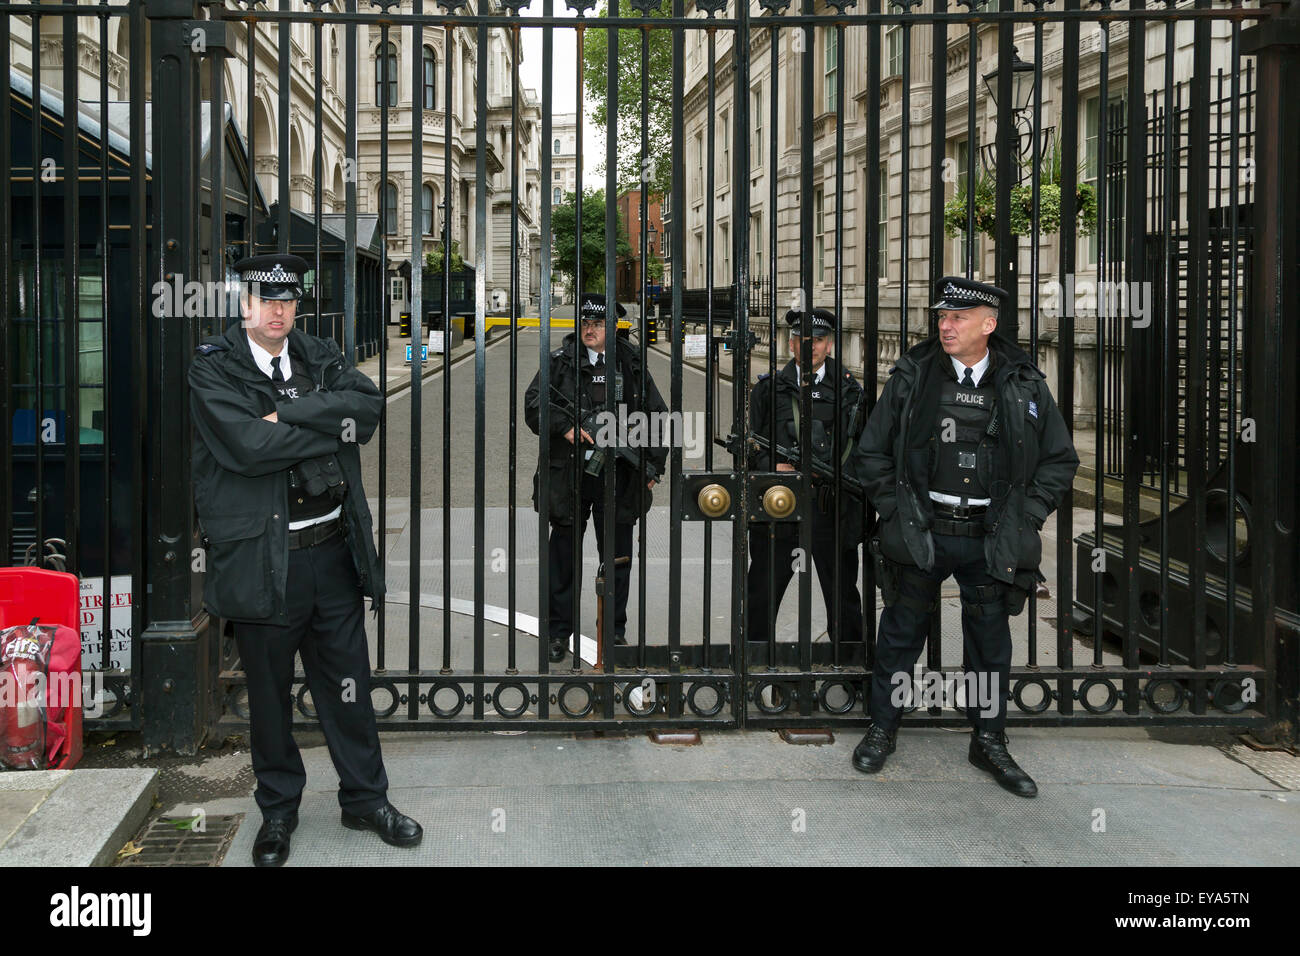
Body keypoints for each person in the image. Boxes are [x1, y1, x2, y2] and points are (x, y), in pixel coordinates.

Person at [189, 253, 421, 866]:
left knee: (348, 686)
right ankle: (278, 812)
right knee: (268, 696)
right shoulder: (214, 367)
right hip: (264, 561)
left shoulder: (319, 354)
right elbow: (247, 446)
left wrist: (286, 413)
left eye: (288, 300)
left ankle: (365, 799)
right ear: (243, 304)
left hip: (330, 555)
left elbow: (366, 411)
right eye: (266, 300)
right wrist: (323, 423)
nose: (278, 311)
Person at [850, 276, 1079, 797]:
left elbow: (1059, 459)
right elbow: (872, 452)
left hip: (990, 535)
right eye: (942, 318)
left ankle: (990, 739)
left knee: (990, 643)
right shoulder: (914, 374)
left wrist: (1028, 516)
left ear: (988, 324)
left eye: (958, 318)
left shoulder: (1022, 381)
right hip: (923, 528)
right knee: (901, 633)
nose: (945, 326)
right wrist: (895, 508)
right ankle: (883, 727)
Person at [524, 293, 669, 663]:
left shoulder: (632, 363)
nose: (589, 329)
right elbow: (533, 405)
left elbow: (658, 417)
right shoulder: (560, 363)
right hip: (571, 475)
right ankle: (559, 633)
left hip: (619, 478)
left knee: (617, 557)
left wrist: (653, 467)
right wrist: (565, 426)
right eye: (585, 323)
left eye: (598, 323)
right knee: (564, 558)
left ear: (612, 327)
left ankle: (613, 630)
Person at [747, 308, 866, 646]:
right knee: (762, 592)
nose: (808, 346)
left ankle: (848, 666)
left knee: (842, 594)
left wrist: (838, 472)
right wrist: (775, 465)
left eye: (817, 340)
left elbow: (863, 448)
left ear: (829, 345)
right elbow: (750, 444)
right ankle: (754, 664)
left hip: (830, 508)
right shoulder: (769, 389)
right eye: (801, 339)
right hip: (778, 508)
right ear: (791, 344)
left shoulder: (849, 391)